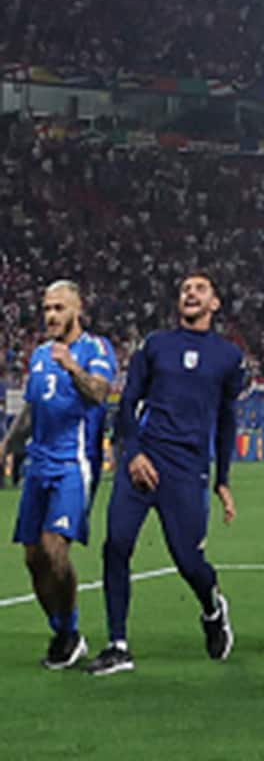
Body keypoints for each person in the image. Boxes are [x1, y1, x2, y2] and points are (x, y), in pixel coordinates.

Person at [86, 274, 246, 676]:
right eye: (185, 289)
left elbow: (227, 420)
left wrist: (223, 480)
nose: (190, 293)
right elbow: (127, 403)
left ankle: (212, 609)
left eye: (200, 289)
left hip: (187, 468)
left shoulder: (228, 357)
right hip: (144, 458)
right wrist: (134, 453)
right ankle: (118, 645)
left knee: (188, 560)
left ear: (215, 303)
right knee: (116, 544)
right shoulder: (156, 344)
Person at [8, 280, 115, 669]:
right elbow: (30, 412)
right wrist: (5, 447)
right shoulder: (39, 355)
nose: (51, 315)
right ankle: (64, 631)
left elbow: (100, 392)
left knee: (54, 547)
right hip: (38, 465)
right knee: (33, 557)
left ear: (77, 309)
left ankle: (68, 633)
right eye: (47, 308)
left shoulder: (95, 349)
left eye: (59, 308)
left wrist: (72, 367)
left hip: (74, 462)